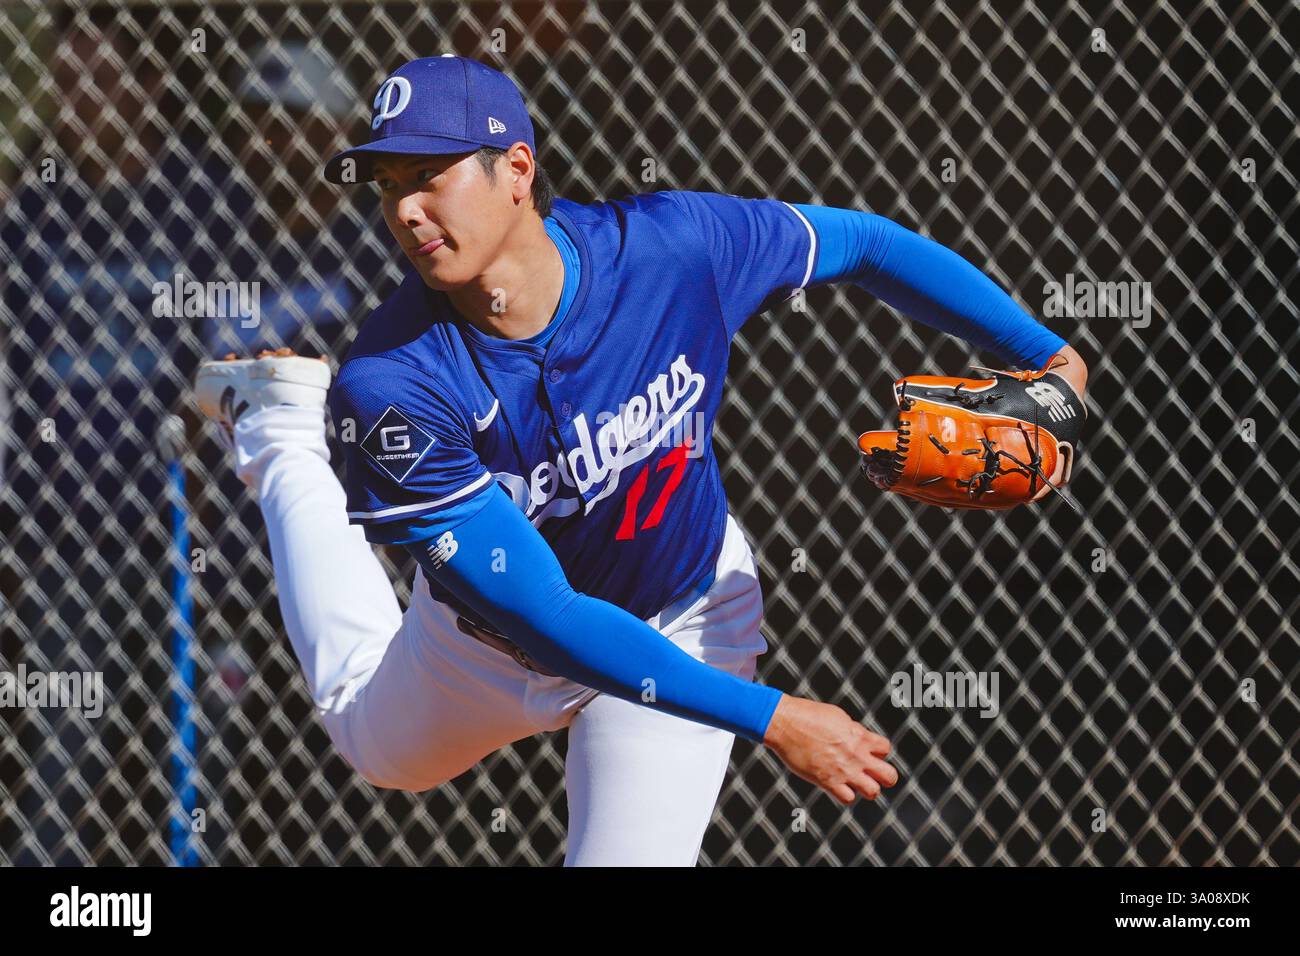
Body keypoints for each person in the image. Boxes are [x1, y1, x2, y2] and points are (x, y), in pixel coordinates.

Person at [195, 55, 1087, 865]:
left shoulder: (672, 250)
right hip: (490, 650)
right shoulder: (393, 384)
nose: (405, 209)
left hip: (681, 617)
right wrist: (773, 718)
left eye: (429, 173)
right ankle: (280, 431)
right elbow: (545, 616)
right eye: (388, 184)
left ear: (517, 171)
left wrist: (1044, 353)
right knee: (370, 740)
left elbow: (865, 244)